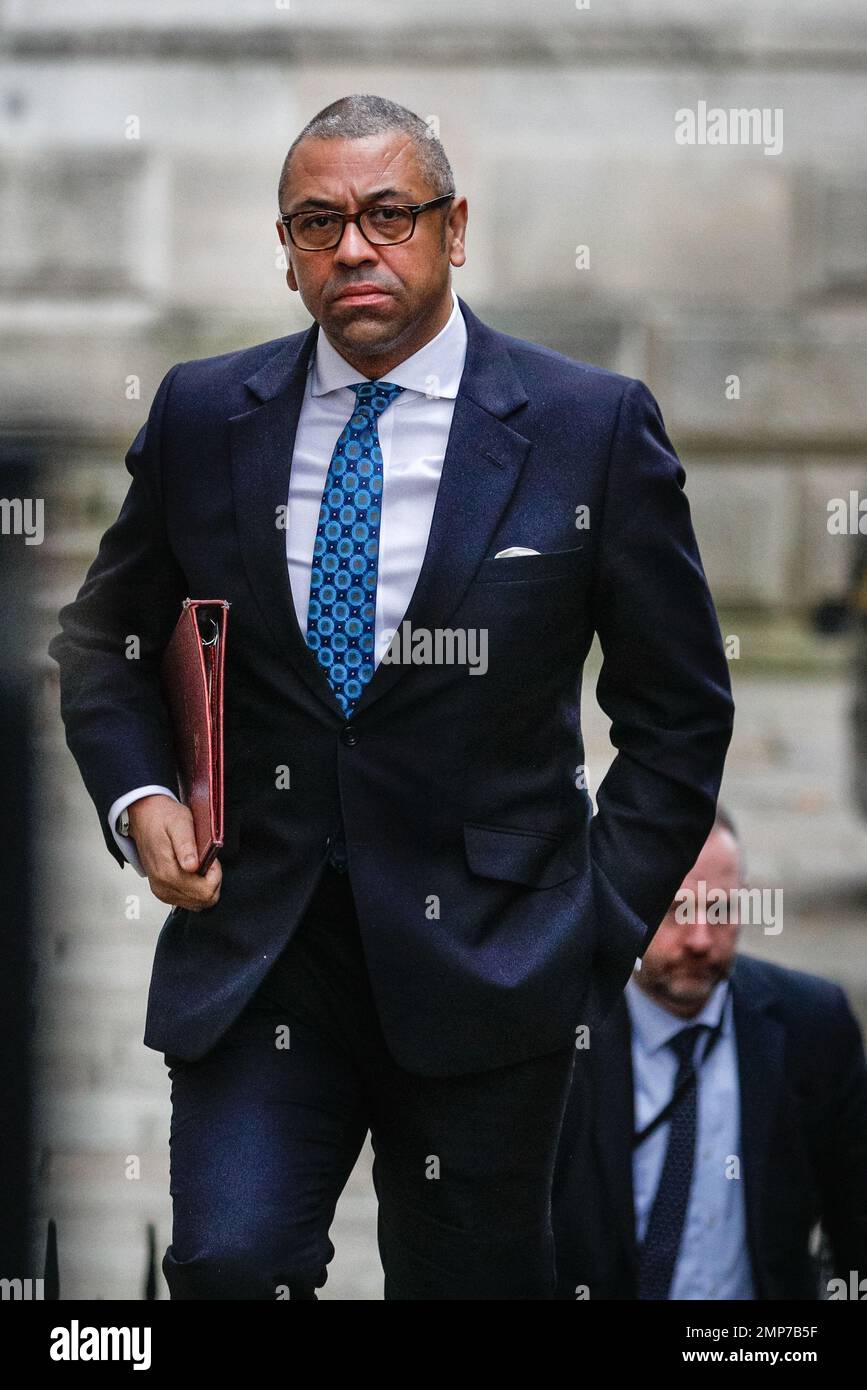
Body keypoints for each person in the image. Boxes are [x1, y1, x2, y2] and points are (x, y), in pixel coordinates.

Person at [48, 93, 735, 1300]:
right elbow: (102, 638)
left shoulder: (587, 427)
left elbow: (679, 709)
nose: (354, 247)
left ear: (453, 228)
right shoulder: (205, 414)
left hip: (494, 968)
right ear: (287, 249)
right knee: (230, 1267)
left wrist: (591, 929)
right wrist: (140, 795)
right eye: (318, 223)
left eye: (387, 214)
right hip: (264, 951)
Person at [552, 808, 867, 1300]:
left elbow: (854, 1218)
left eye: (720, 909)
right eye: (676, 908)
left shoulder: (813, 1025)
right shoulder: (562, 1036)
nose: (700, 939)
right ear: (625, 905)